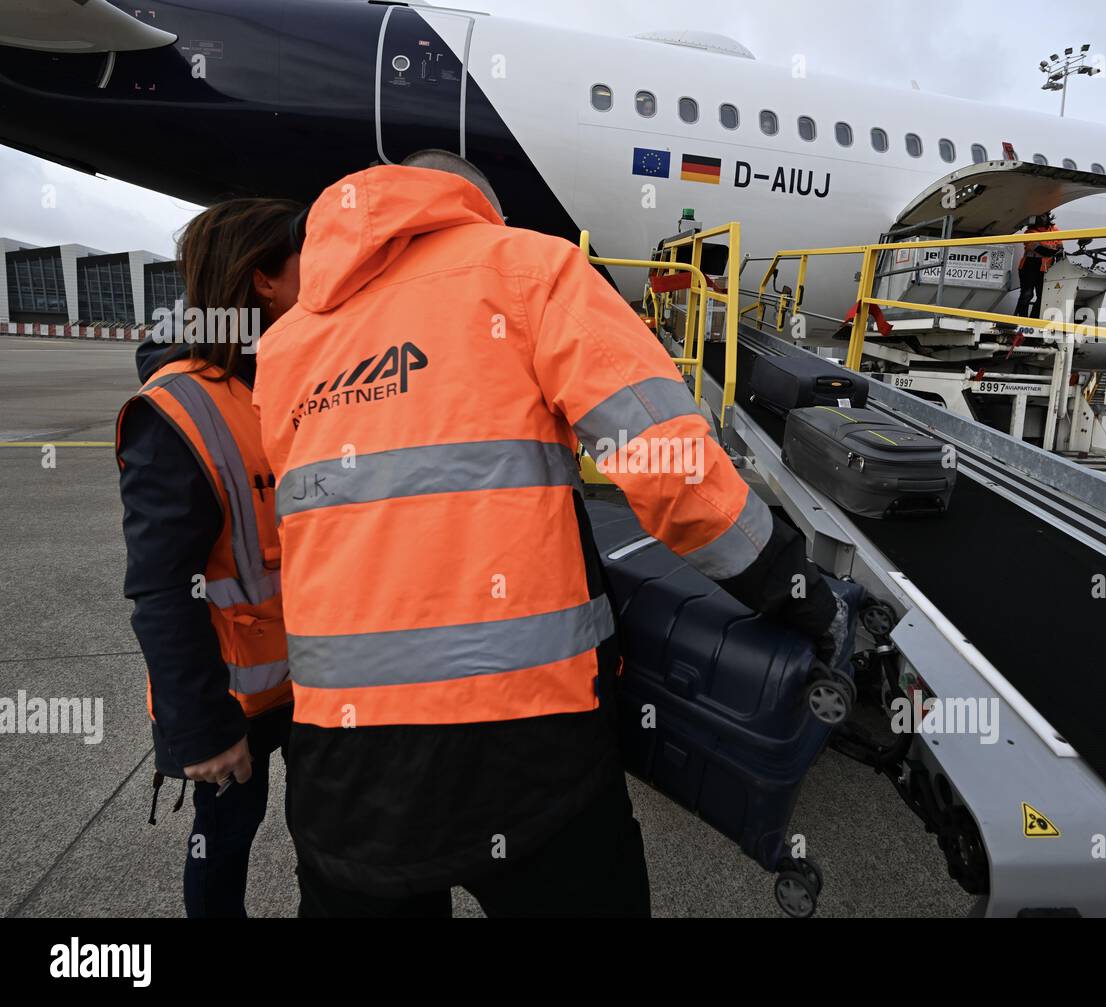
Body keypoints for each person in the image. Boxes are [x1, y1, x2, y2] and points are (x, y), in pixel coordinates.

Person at [252, 149, 850, 918]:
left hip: (341, 755)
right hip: (521, 737)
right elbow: (671, 468)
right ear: (476, 208)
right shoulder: (528, 268)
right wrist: (792, 587)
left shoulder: (287, 345)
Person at [115, 197, 303, 917]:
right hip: (233, 699)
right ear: (263, 280)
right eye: (306, 259)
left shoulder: (292, 381)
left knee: (327, 836)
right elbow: (163, 588)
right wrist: (202, 729)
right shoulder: (178, 408)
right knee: (224, 841)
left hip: (316, 682)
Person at [1013, 212, 1063, 319]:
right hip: (1029, 266)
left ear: (1048, 217)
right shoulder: (1029, 232)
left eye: (1043, 216)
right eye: (1038, 217)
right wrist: (1055, 252)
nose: (1041, 219)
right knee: (1027, 294)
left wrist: (1057, 252)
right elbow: (1042, 250)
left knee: (1042, 297)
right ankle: (1021, 319)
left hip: (1045, 268)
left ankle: (1033, 320)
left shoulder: (1054, 229)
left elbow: (1060, 248)